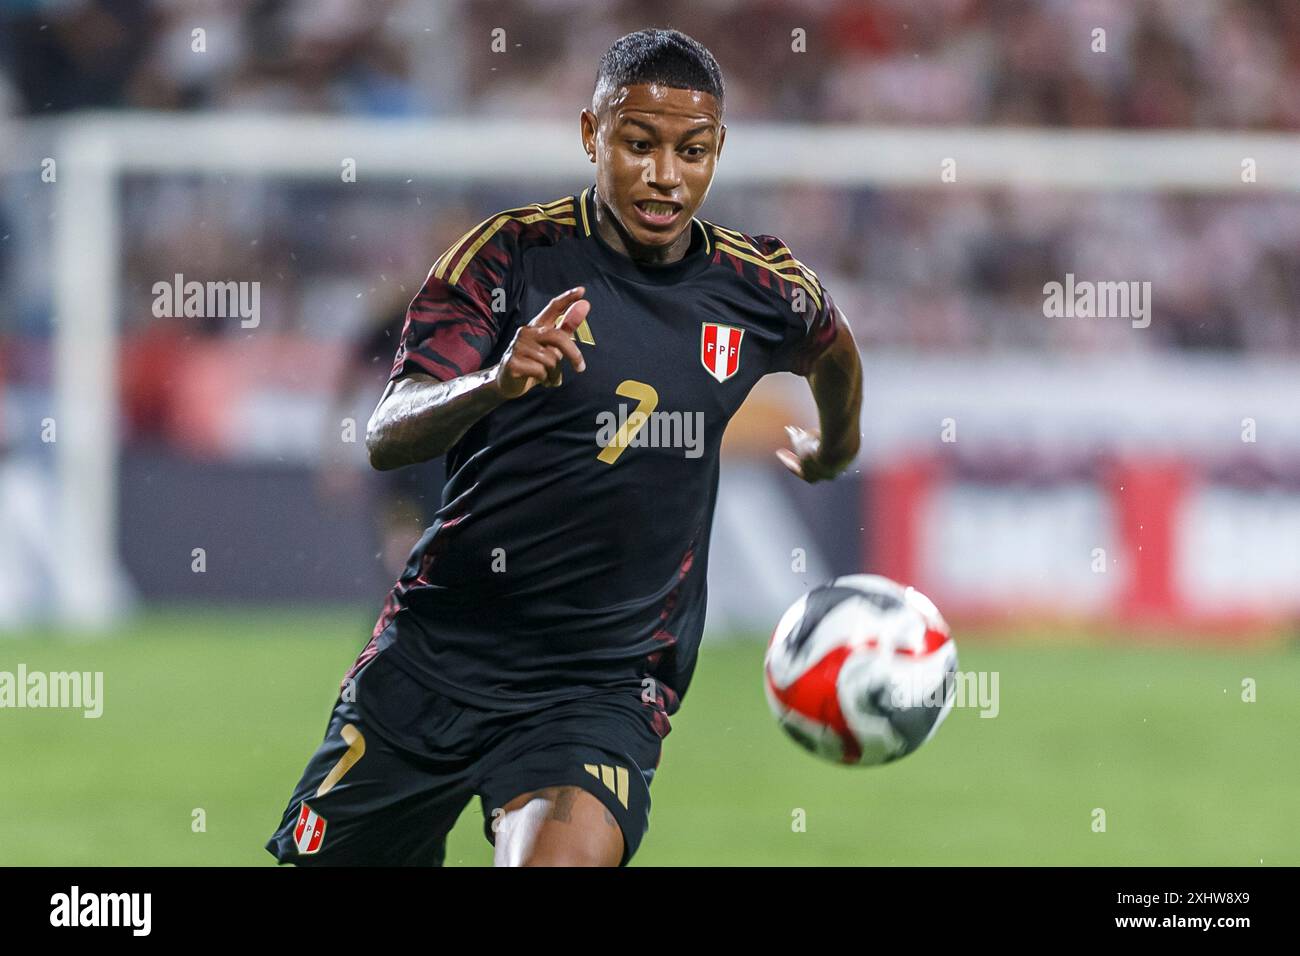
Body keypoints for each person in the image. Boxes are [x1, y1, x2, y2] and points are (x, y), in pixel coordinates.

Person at [267, 27, 862, 867]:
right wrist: (495, 383)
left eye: (691, 150)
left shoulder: (758, 285)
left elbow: (832, 349)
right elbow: (387, 430)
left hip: (602, 681)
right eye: (638, 143)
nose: (665, 174)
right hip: (442, 651)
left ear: (718, 149)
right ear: (592, 135)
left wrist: (839, 445)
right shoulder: (507, 257)